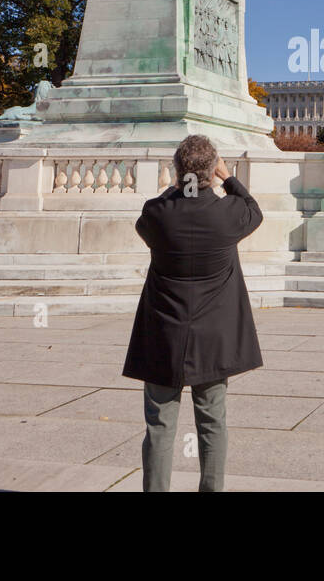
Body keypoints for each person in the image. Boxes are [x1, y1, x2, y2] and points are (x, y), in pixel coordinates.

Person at [122, 134, 264, 492]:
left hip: (164, 334)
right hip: (214, 337)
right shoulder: (228, 215)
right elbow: (254, 209)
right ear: (212, 170)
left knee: (159, 424)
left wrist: (178, 183)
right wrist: (227, 177)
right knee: (213, 420)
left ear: (177, 169)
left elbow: (151, 216)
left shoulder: (157, 214)